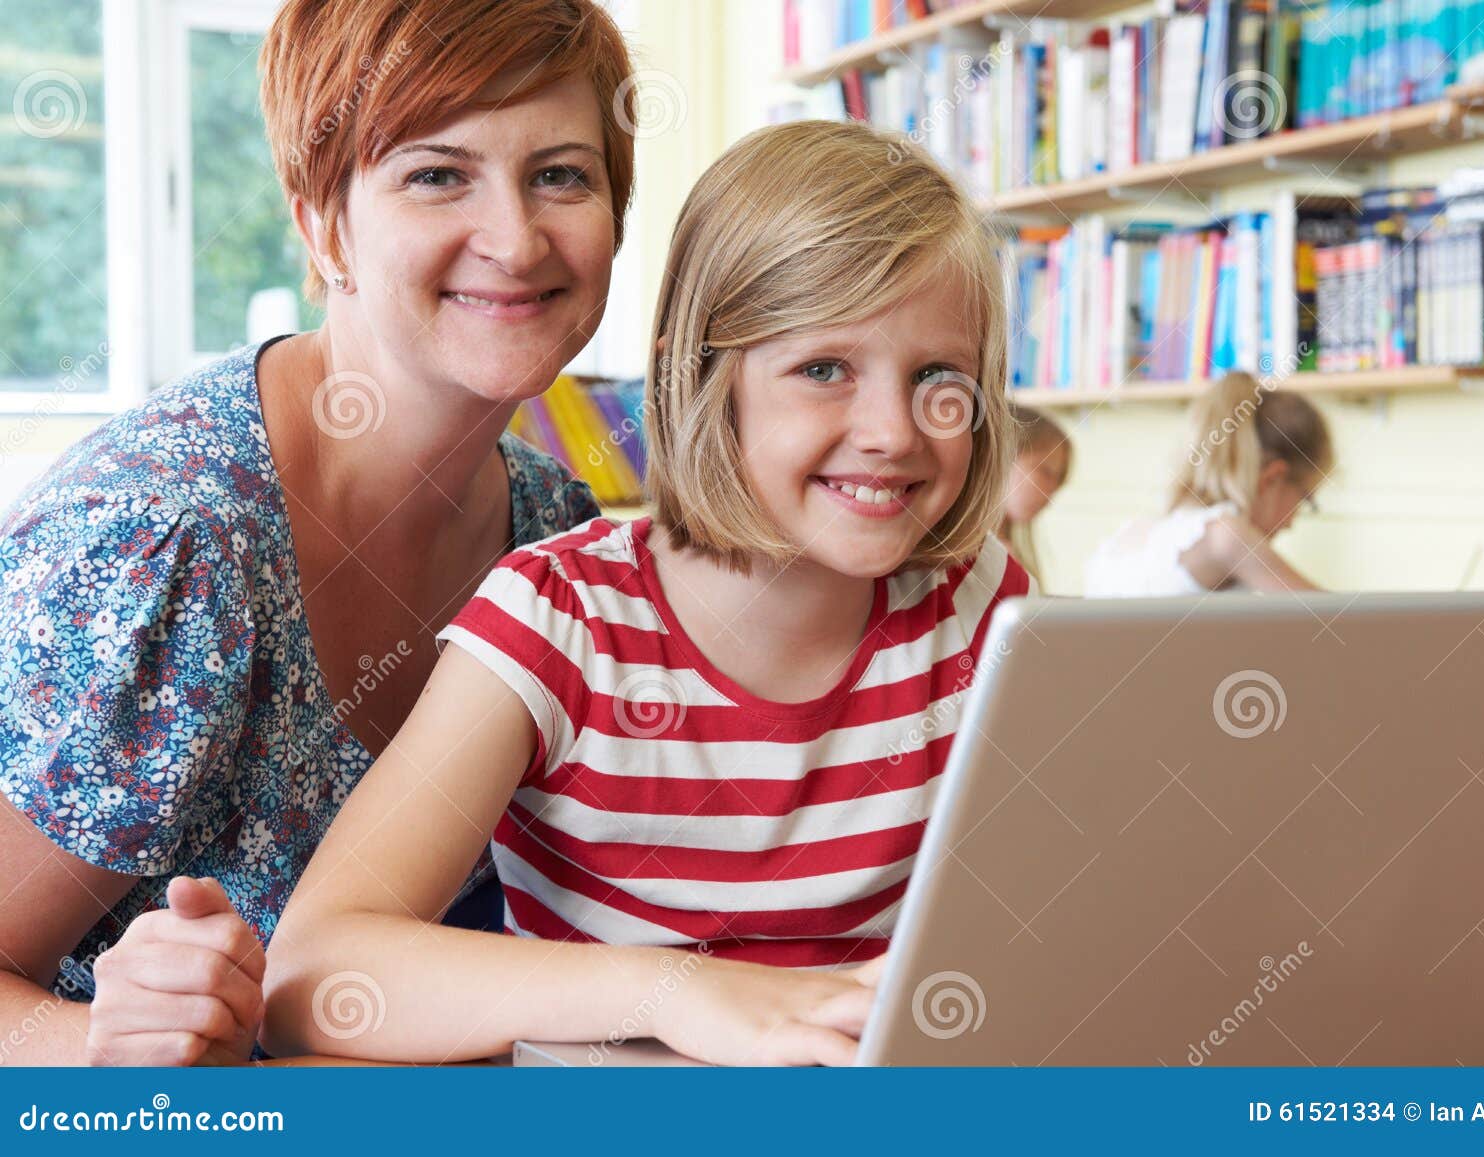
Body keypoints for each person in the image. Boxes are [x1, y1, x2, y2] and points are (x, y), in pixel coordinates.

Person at [262, 119, 1032, 1067]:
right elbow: (315, 975)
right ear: (694, 373)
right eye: (823, 368)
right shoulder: (558, 619)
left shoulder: (984, 608)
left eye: (937, 378)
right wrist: (676, 991)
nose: (891, 430)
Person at [0, 0, 634, 1065]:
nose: (517, 238)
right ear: (321, 222)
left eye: (561, 175)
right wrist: (101, 1043)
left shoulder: (555, 527)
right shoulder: (169, 541)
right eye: (437, 174)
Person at [1083, 371, 1332, 596]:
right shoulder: (1225, 537)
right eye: (1304, 499)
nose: (1290, 524)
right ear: (1272, 478)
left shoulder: (1132, 534)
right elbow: (1339, 624)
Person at [999, 404, 1073, 583]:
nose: (1051, 491)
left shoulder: (1006, 556)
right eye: (1045, 472)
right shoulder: (978, 560)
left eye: (1058, 482)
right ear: (1001, 457)